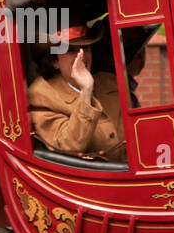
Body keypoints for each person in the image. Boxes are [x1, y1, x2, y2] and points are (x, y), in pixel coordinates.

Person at [27, 23, 126, 162]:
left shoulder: (109, 82)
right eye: (70, 50)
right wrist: (86, 92)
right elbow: (68, 147)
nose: (82, 55)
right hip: (91, 179)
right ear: (54, 61)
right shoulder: (41, 94)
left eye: (85, 47)